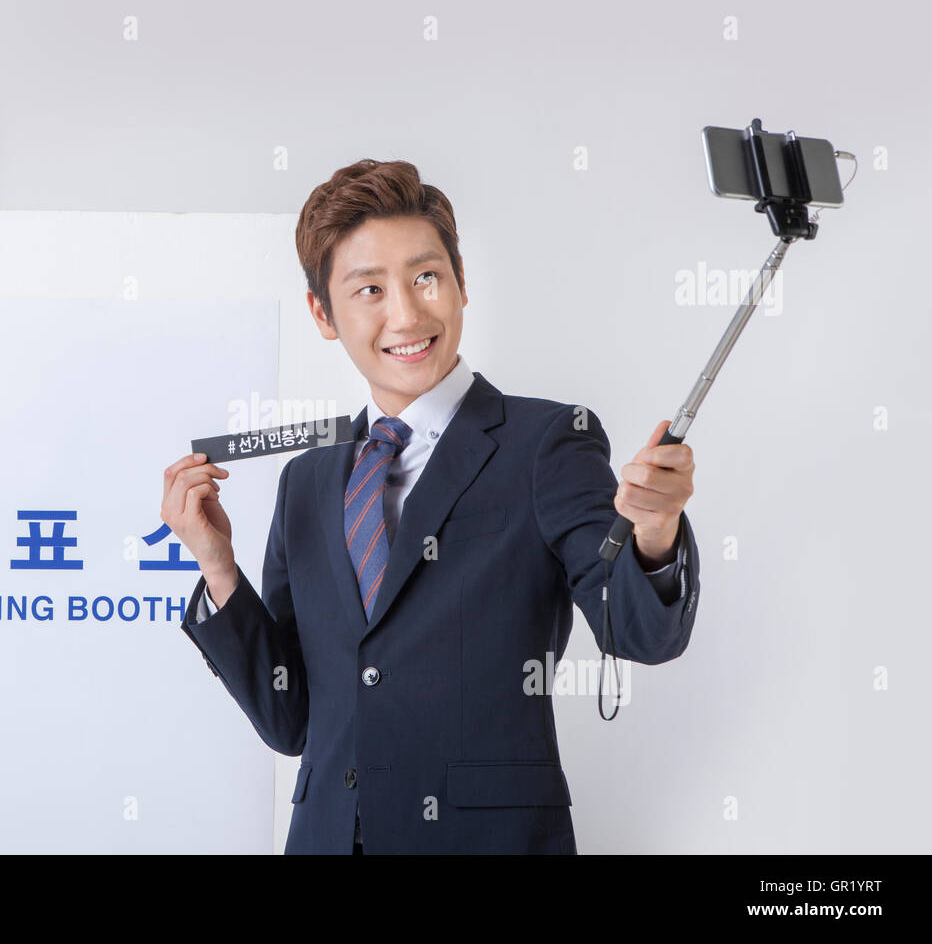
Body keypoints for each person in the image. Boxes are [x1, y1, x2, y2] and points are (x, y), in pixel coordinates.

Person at [160, 158, 699, 854]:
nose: (407, 314)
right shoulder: (308, 481)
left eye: (425, 277)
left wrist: (655, 533)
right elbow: (291, 720)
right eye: (370, 290)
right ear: (323, 313)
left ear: (462, 282)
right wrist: (219, 568)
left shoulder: (547, 442)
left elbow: (637, 633)